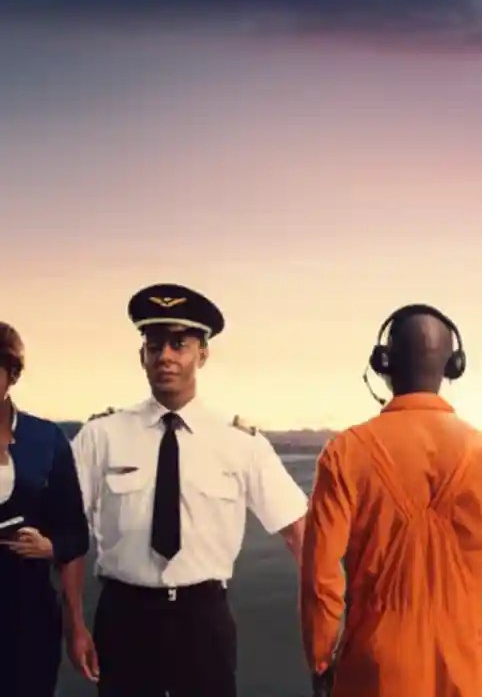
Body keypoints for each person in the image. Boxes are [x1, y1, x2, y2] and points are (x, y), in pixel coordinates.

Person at [66, 283, 309, 697]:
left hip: (203, 618)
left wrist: (318, 619)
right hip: (124, 616)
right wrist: (73, 623)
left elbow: (298, 531)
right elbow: (69, 533)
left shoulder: (240, 443)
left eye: (179, 344)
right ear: (141, 355)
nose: (165, 356)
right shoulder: (100, 437)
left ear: (202, 354)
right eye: (154, 344)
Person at [301, 304, 482, 697]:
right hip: (467, 666)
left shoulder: (346, 452)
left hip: (373, 667)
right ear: (452, 366)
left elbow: (320, 574)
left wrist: (322, 656)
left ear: (383, 363)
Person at [0, 321, 91, 696]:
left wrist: (51, 547)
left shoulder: (45, 439)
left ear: (11, 375)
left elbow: (75, 532)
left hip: (29, 617)